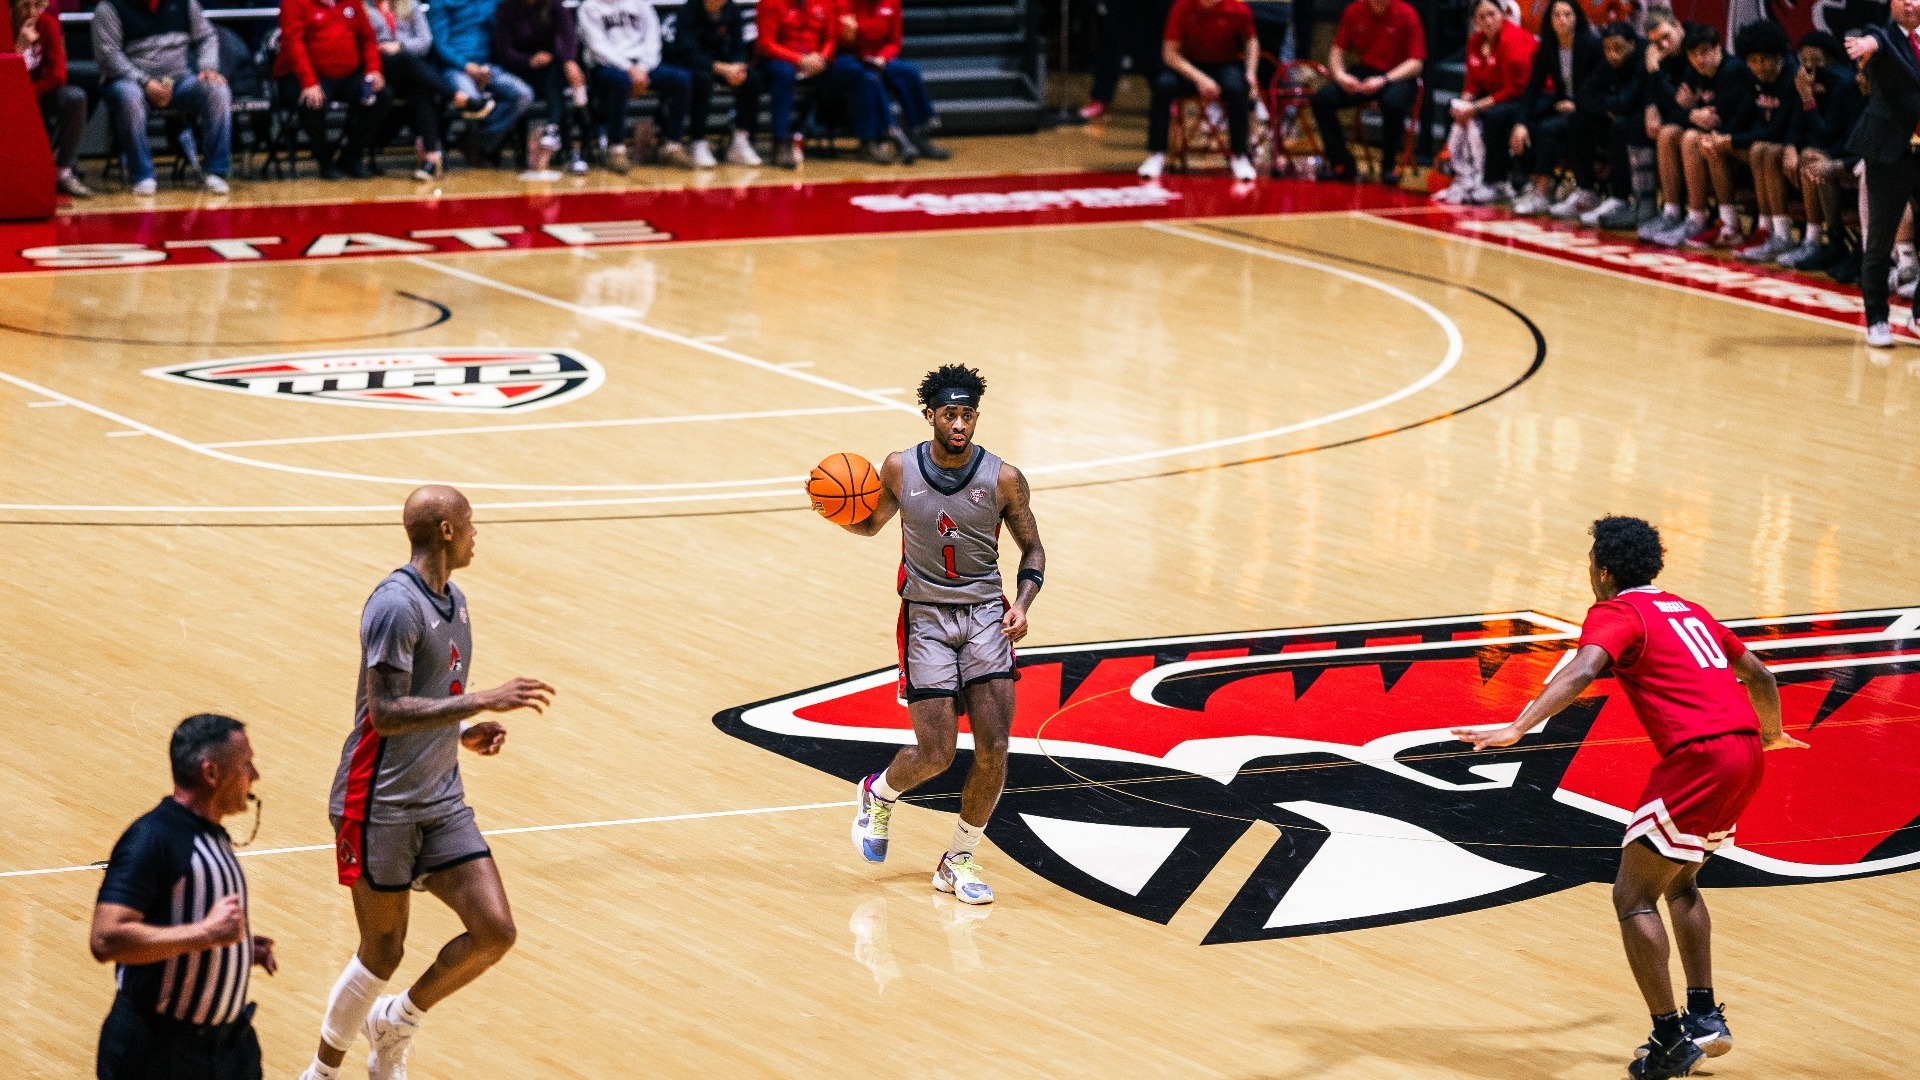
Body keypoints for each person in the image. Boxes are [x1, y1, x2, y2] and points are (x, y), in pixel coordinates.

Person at [1456, 516, 1807, 1080]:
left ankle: (1669, 1037)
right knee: (1682, 882)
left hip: (1698, 758)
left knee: (1633, 895)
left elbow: (1585, 667)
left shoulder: (1616, 612)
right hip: (1746, 754)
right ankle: (1704, 1017)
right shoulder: (1689, 609)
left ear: (1602, 571)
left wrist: (1519, 725)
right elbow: (1761, 677)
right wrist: (1769, 735)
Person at [297, 485, 555, 1080]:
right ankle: (323, 1072)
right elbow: (385, 711)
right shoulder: (395, 606)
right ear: (444, 530)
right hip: (378, 803)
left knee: (494, 931)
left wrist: (463, 726)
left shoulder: (455, 600)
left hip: (440, 799)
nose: (475, 532)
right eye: (469, 522)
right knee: (383, 949)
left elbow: (430, 698)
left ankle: (396, 1022)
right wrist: (488, 696)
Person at [837, 365, 1046, 907]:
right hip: (926, 618)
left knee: (995, 748)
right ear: (930, 414)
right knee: (937, 753)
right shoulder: (899, 468)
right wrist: (836, 510)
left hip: (984, 617)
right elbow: (868, 525)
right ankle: (878, 794)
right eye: (950, 414)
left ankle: (958, 858)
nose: (959, 423)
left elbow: (1034, 550)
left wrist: (1021, 605)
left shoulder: (1003, 478)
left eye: (968, 414)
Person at [93, 713, 276, 1080]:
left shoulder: (212, 836)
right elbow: (106, 937)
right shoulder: (154, 838)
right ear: (211, 774)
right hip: (160, 1053)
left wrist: (234, 953)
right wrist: (206, 935)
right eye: (245, 765)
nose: (254, 776)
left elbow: (183, 923)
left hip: (225, 1049)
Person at [90, 0, 231, 195]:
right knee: (129, 96)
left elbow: (207, 36)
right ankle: (143, 175)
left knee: (217, 90)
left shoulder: (186, 3)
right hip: (130, 80)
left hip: (179, 81)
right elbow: (108, 56)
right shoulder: (109, 7)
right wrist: (145, 82)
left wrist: (208, 67)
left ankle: (215, 171)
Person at [1845, 0, 1920, 347]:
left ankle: (1918, 316)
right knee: (1878, 242)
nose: (1910, 2)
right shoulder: (1882, 37)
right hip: (1890, 152)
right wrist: (1869, 45)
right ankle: (1876, 318)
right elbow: (1878, 39)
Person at [1644, 24, 1748, 249]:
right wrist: (1692, 114)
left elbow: (1723, 117)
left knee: (1691, 138)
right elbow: (1675, 108)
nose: (1700, 60)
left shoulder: (1732, 70)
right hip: (1712, 132)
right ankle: (1671, 212)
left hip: (1738, 135)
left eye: (1705, 52)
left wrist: (1695, 114)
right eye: (1693, 55)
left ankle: (1697, 218)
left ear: (1718, 48)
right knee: (1668, 133)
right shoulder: (1695, 71)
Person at [756, 0, 892, 167]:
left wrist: (823, 58)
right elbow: (766, 44)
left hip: (816, 61)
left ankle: (868, 141)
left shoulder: (823, 2)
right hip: (782, 60)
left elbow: (831, 38)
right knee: (783, 73)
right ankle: (780, 143)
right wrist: (799, 60)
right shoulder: (770, 3)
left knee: (857, 72)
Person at [1137, 0, 1259, 180]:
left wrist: (1250, 73)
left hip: (1224, 64)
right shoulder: (1181, 7)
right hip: (1189, 65)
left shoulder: (1237, 8)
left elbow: (1251, 41)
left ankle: (1239, 154)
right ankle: (1156, 154)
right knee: (1163, 85)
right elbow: (1169, 54)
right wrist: (1200, 78)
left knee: (1236, 88)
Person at [1309, 0, 1426, 184]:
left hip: (1398, 75)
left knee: (1392, 103)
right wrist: (1340, 75)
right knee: (1322, 99)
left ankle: (1389, 167)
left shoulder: (1407, 14)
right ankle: (1342, 163)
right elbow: (1337, 50)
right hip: (1366, 72)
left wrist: (1385, 79)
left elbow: (1416, 63)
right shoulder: (1354, 11)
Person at [373, 0, 491, 181]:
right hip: (377, 71)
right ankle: (456, 96)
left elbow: (425, 42)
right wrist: (386, 48)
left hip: (410, 75)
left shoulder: (409, 5)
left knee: (420, 89)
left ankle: (432, 158)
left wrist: (400, 45)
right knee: (406, 62)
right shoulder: (361, 7)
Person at [274, 0, 392, 180]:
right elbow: (293, 43)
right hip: (306, 73)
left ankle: (351, 156)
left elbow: (367, 38)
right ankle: (325, 161)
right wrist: (309, 82)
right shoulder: (293, 2)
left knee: (381, 96)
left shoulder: (352, 2)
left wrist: (373, 70)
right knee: (312, 103)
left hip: (349, 74)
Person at [1433, 0, 1534, 205]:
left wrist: (1476, 107)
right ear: (1475, 21)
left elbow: (1512, 89)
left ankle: (1496, 180)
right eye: (1482, 17)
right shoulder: (1475, 42)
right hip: (1494, 95)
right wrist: (1463, 104)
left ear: (1501, 14)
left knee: (1495, 117)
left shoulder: (1511, 39)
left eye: (1492, 14)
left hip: (1522, 97)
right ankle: (1462, 173)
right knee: (1451, 111)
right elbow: (1471, 82)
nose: (1488, 20)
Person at [1712, 20, 1797, 261]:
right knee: (1714, 147)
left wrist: (1733, 140)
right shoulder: (1753, 78)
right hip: (1764, 144)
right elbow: (1744, 115)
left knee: (1761, 150)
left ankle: (1780, 234)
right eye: (1753, 60)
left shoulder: (1792, 77)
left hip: (1791, 145)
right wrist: (1722, 137)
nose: (1760, 66)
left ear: (1779, 55)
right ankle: (1735, 226)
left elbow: (1778, 129)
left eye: (1766, 59)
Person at [1778, 31, 1863, 271]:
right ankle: (1812, 239)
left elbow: (1826, 133)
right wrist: (1790, 147)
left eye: (1816, 61)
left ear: (1831, 61)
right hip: (1829, 152)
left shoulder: (1843, 85)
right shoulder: (1804, 79)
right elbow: (1795, 123)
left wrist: (1807, 97)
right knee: (1798, 156)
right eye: (1805, 61)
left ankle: (1831, 240)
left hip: (1845, 155)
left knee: (1814, 160)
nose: (1810, 67)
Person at [1507, 0, 1600, 217]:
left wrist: (1578, 103)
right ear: (1550, 20)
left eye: (1568, 15)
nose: (1562, 20)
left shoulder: (1590, 45)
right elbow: (1532, 88)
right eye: (1557, 15)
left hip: (1588, 108)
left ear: (1577, 18)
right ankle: (1535, 183)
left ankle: (1543, 191)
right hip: (1562, 106)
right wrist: (1520, 123)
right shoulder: (1549, 47)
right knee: (1524, 124)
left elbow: (1601, 84)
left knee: (1548, 129)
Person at [578, 0, 696, 169]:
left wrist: (642, 68)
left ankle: (672, 146)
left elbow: (653, 40)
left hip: (643, 65)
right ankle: (615, 148)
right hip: (606, 65)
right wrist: (629, 68)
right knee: (620, 81)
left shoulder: (641, 4)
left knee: (681, 79)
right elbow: (597, 46)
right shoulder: (589, 7)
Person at [427, 0, 533, 165]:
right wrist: (466, 66)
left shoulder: (492, 2)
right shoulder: (440, 3)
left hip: (487, 67)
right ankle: (479, 145)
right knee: (474, 100)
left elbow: (502, 33)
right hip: (455, 68)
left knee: (523, 94)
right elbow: (440, 45)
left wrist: (485, 68)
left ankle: (477, 140)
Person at [843, 0, 950, 163]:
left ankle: (919, 133)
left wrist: (882, 58)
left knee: (908, 71)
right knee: (870, 77)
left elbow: (894, 42)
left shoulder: (892, 3)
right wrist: (850, 34)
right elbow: (840, 43)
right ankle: (885, 137)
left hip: (880, 58)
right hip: (855, 58)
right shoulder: (847, 3)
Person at [493, 0, 588, 173]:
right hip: (519, 71)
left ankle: (554, 131)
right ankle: (566, 149)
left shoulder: (554, 5)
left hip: (552, 72)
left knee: (557, 76)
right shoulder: (507, 7)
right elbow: (504, 50)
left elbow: (567, 36)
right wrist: (528, 60)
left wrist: (568, 61)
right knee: (558, 90)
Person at [667, 0, 764, 165]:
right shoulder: (688, 11)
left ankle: (740, 140)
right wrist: (720, 68)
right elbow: (687, 52)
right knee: (702, 80)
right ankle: (698, 141)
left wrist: (738, 67)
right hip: (695, 65)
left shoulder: (731, 10)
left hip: (725, 65)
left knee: (752, 78)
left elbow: (739, 46)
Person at [1574, 22, 1649, 228]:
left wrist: (1612, 105)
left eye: (1618, 48)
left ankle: (1620, 198)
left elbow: (1626, 101)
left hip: (1641, 126)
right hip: (1619, 120)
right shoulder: (1608, 63)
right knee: (1577, 117)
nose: (1612, 54)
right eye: (1607, 49)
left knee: (1620, 123)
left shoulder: (1642, 60)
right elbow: (1583, 96)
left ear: (1632, 45)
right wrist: (1606, 107)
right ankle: (1586, 190)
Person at [15, 0, 91, 197]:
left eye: (37, 5)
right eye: (25, 6)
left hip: (36, 94)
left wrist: (27, 95)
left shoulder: (47, 24)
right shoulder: (4, 27)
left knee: (75, 98)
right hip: (8, 99)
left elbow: (58, 76)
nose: (31, 12)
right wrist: (19, 48)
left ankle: (63, 172)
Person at [1636, 10, 1692, 240]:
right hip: (1681, 117)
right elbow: (1657, 97)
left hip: (1703, 119)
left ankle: (1692, 217)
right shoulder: (1660, 54)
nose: (1664, 44)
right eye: (1656, 42)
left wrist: (1655, 71)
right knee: (1634, 125)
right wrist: (1650, 106)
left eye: (1667, 36)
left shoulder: (1694, 48)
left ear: (1677, 25)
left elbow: (1679, 104)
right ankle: (1657, 208)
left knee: (1669, 133)